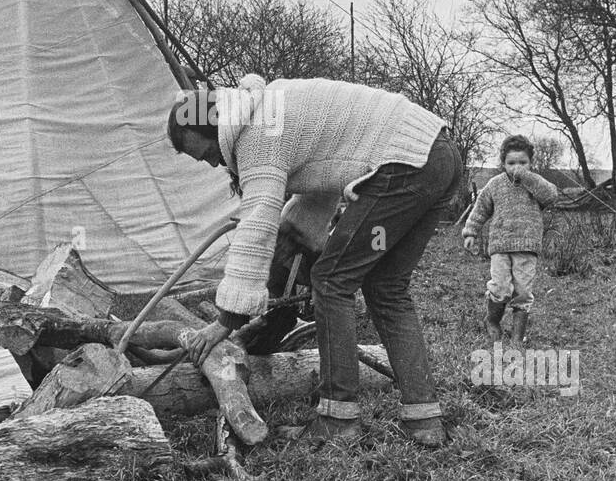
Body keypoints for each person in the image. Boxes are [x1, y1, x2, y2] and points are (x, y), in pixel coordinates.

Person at [166, 74, 462, 448]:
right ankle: (425, 420)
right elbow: (325, 177)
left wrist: (225, 322)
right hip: (438, 154)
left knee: (331, 281)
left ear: (215, 127)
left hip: (403, 162)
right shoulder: (269, 108)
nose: (212, 163)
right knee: (386, 287)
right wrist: (297, 235)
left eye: (207, 154)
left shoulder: (256, 135)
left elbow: (257, 222)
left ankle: (338, 420)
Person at [462, 135, 559, 346]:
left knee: (523, 291)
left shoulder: (535, 183)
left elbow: (551, 196)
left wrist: (528, 177)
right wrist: (470, 232)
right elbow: (480, 209)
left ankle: (517, 336)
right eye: (511, 163)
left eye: (523, 162)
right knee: (500, 287)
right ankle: (493, 320)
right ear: (503, 163)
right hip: (500, 246)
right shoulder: (495, 185)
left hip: (527, 246)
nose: (517, 167)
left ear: (531, 163)